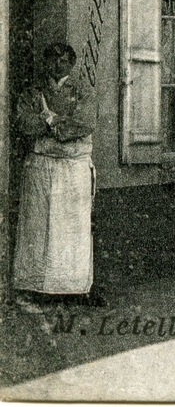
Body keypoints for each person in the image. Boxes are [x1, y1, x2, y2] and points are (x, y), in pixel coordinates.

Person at [12, 43, 96, 311]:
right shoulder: (33, 92)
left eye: (63, 60)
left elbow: (85, 123)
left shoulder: (82, 91)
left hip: (73, 167)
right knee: (37, 226)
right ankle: (34, 288)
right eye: (52, 59)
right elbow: (24, 123)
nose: (57, 65)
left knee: (71, 228)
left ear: (71, 63)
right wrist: (50, 121)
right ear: (46, 63)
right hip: (40, 165)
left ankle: (71, 289)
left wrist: (52, 122)